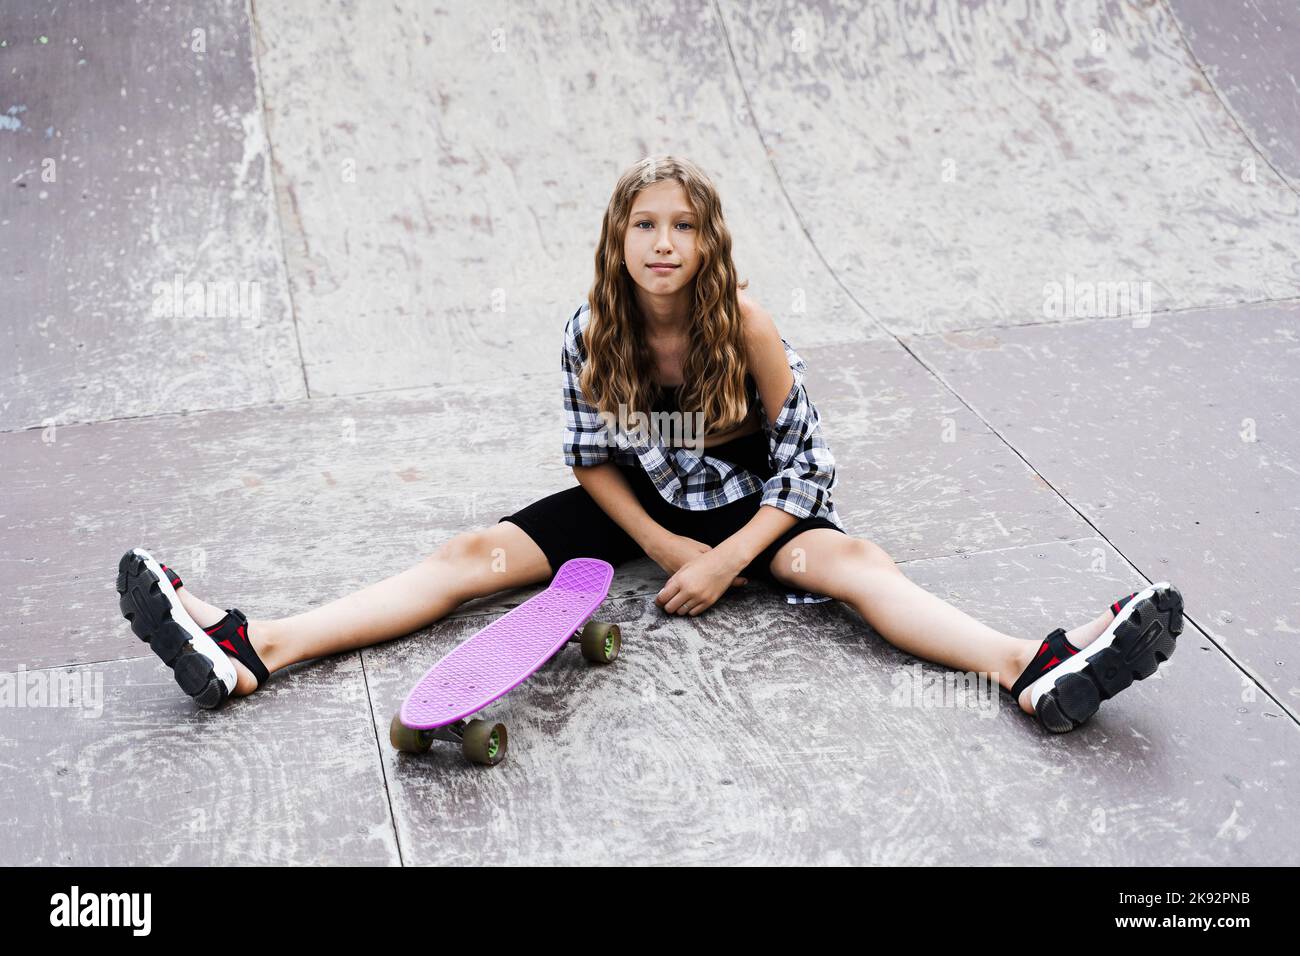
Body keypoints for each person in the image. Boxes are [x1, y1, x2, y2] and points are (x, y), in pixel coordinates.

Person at [117, 155, 1183, 733]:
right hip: (634, 501)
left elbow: (808, 470)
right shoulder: (591, 330)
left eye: (681, 225)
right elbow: (590, 460)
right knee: (467, 559)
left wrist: (723, 552)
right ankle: (258, 644)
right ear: (616, 241)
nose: (662, 241)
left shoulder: (748, 329)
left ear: (708, 241)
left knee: (859, 565)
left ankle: (1029, 665)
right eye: (643, 226)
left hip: (754, 510)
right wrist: (661, 546)